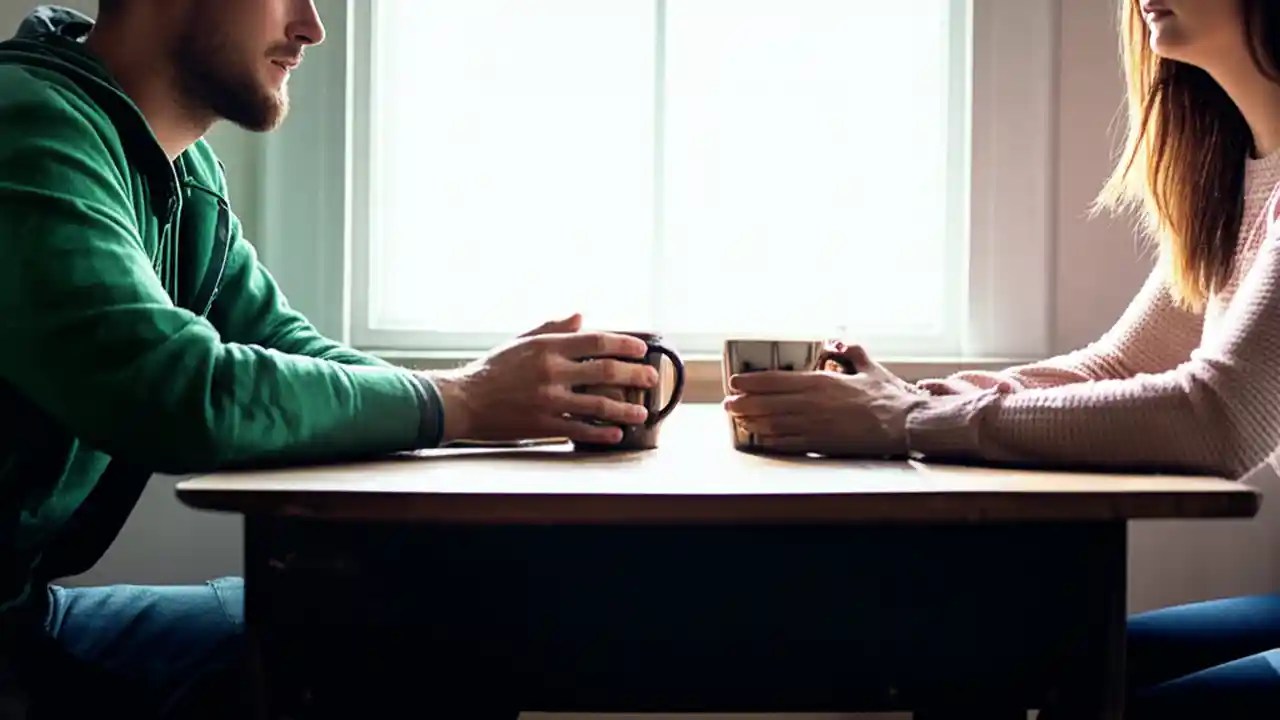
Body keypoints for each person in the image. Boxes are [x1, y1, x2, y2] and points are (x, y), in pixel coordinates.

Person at [0, 1, 659, 717]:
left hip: (25, 618)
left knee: (417, 632)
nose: (312, 27)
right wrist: (463, 401)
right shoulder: (27, 125)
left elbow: (289, 350)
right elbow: (178, 390)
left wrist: (501, 390)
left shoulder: (178, 176)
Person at [725, 0, 1280, 715]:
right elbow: (1119, 366)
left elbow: (1218, 417)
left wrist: (910, 420)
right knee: (1022, 667)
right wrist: (915, 398)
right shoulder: (1244, 174)